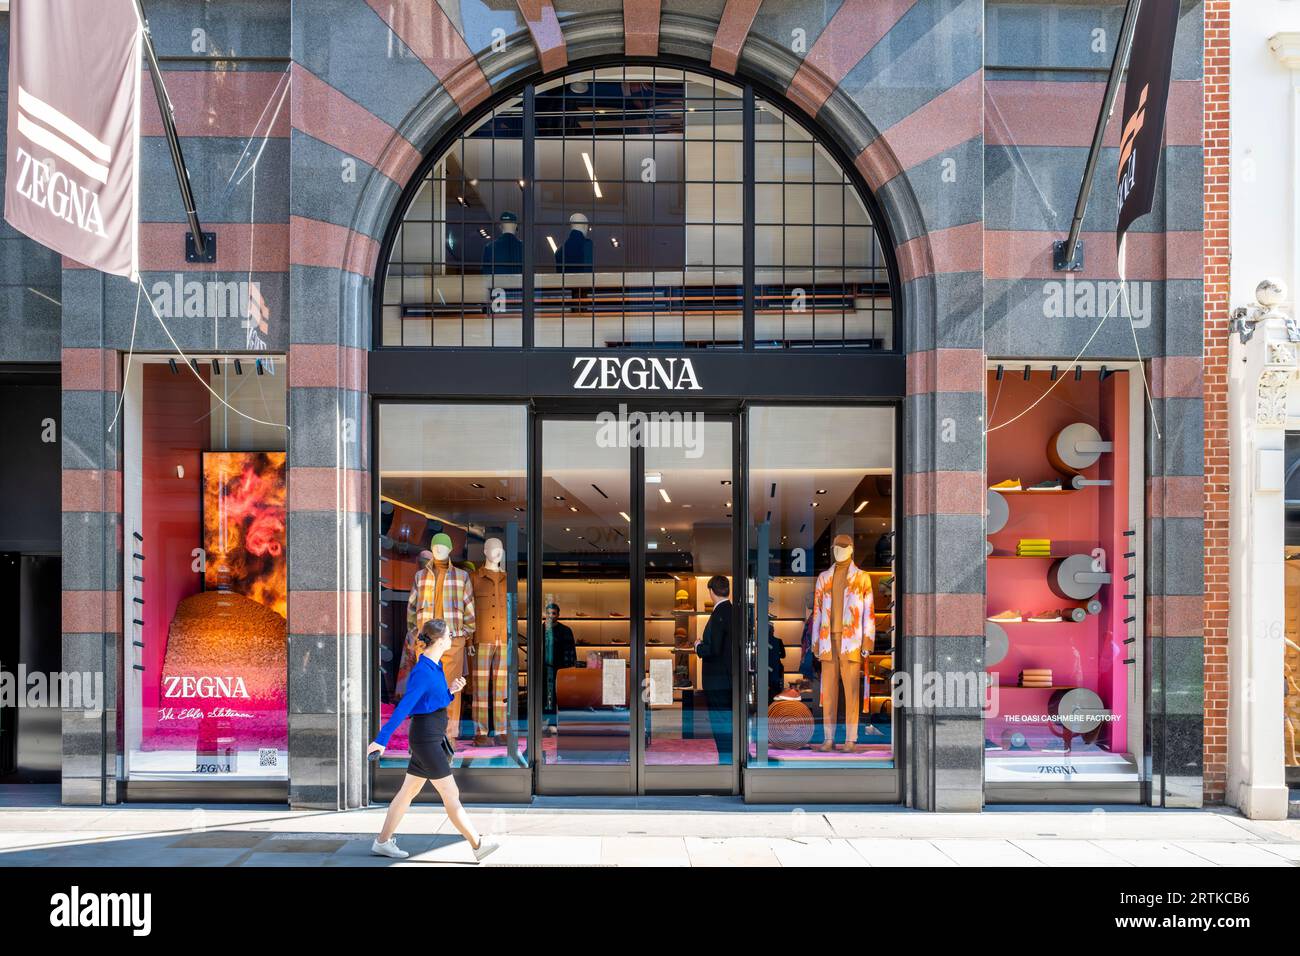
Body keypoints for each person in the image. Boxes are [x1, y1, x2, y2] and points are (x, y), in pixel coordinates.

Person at [367, 619, 500, 862]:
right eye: (449, 635)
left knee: (408, 792)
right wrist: (381, 739)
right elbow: (405, 707)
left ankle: (382, 842)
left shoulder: (434, 666)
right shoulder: (423, 671)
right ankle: (478, 844)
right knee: (451, 794)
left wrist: (451, 691)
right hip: (426, 740)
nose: (452, 638)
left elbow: (430, 701)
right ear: (439, 641)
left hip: (429, 736)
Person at [694, 576, 732, 762]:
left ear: (711, 591)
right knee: (728, 720)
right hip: (728, 678)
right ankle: (729, 758)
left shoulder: (719, 614)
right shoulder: (733, 611)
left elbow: (715, 649)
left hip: (717, 679)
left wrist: (698, 647)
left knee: (720, 722)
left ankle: (725, 760)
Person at [542, 602, 577, 733]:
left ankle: (559, 723)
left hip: (560, 670)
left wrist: (571, 670)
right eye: (549, 613)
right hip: (544, 670)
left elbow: (571, 652)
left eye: (554, 613)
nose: (551, 616)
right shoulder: (540, 630)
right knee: (546, 697)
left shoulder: (565, 631)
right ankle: (547, 723)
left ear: (558, 615)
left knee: (561, 697)